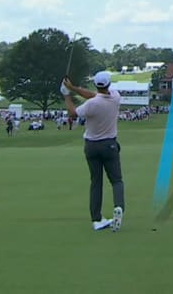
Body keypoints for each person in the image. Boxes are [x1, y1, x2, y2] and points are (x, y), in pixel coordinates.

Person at [62, 71, 125, 232]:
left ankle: (97, 219)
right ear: (109, 85)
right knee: (116, 180)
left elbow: (73, 114)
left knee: (96, 182)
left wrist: (67, 95)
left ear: (96, 84)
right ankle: (119, 207)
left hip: (91, 146)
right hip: (109, 145)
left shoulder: (92, 104)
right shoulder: (116, 96)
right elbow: (93, 95)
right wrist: (73, 88)